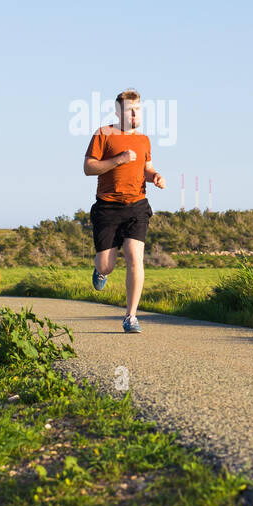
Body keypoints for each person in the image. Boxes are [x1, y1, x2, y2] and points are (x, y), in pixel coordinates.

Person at [83, 89, 165, 333]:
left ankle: (131, 316)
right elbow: (88, 167)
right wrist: (118, 159)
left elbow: (146, 168)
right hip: (107, 207)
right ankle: (100, 270)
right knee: (107, 265)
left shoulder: (144, 140)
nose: (135, 113)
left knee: (133, 256)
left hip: (137, 206)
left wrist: (155, 176)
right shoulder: (103, 134)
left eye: (138, 109)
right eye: (130, 109)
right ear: (118, 112)